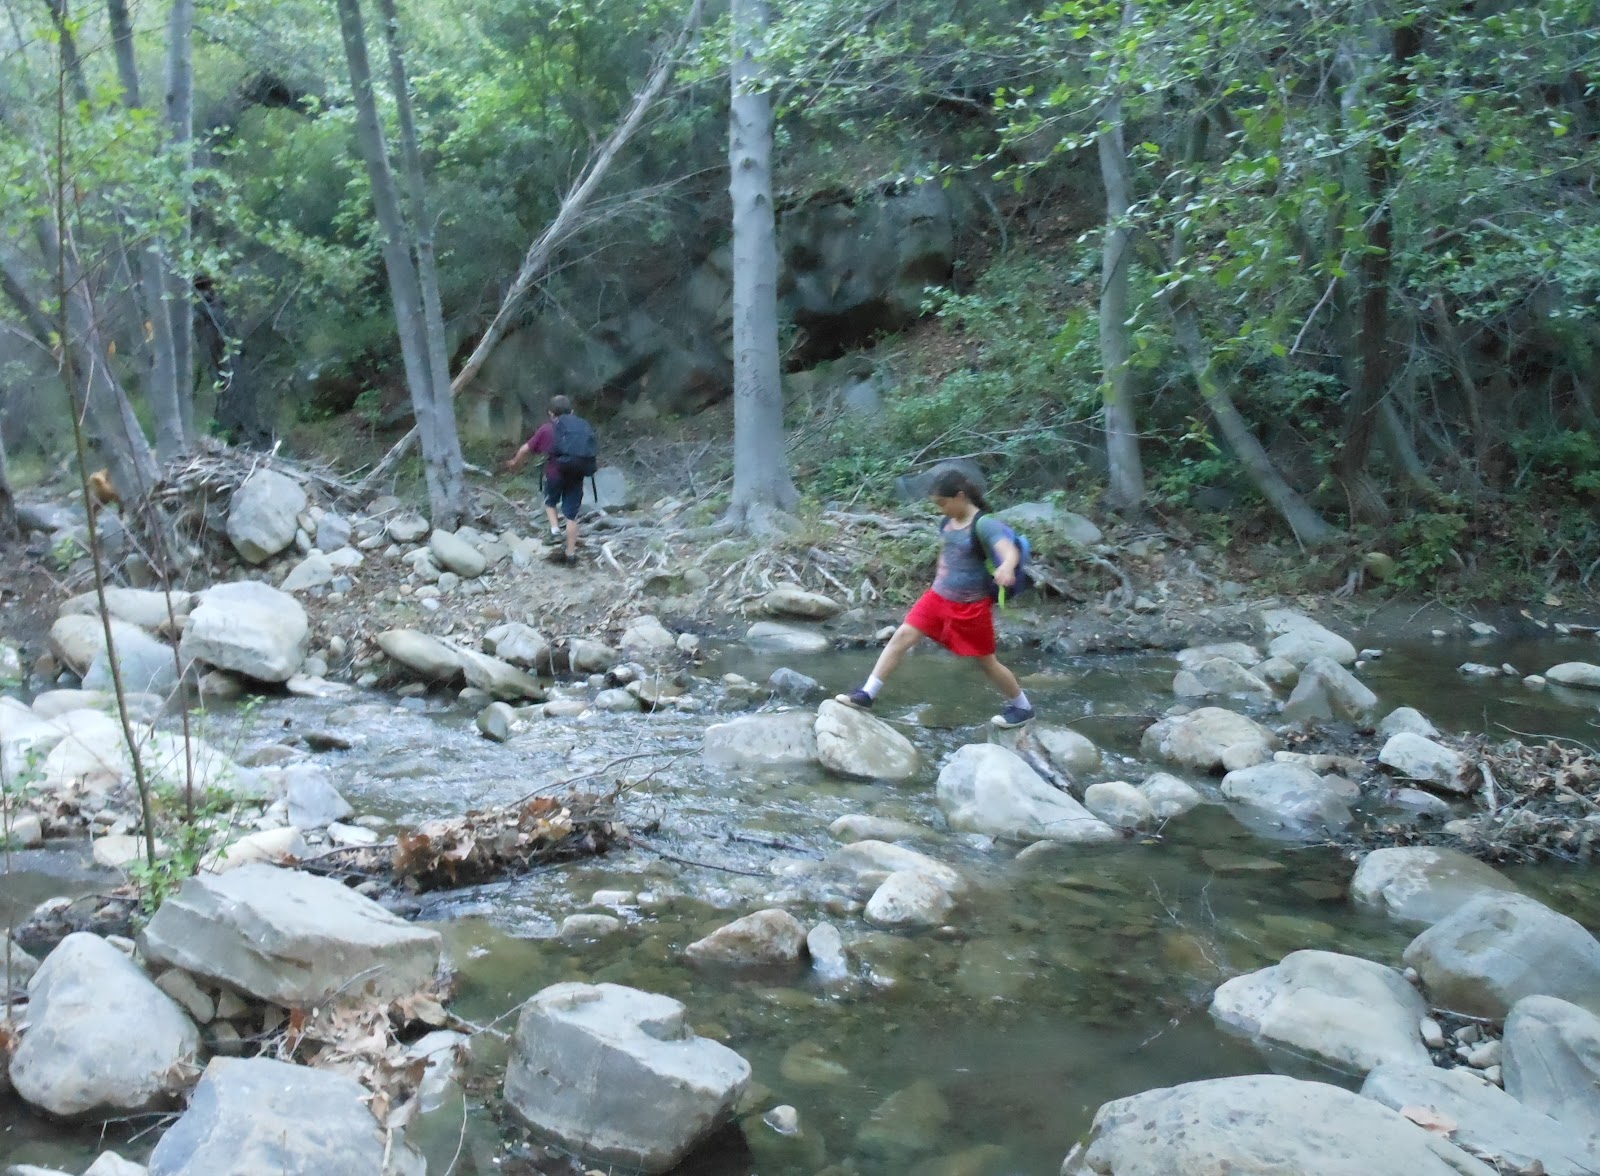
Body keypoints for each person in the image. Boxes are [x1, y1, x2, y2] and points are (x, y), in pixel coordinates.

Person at [836, 467, 1035, 727]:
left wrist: (1007, 567)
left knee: (986, 662)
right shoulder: (947, 523)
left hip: (970, 606)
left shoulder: (984, 524)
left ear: (960, 496)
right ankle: (867, 694)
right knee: (901, 637)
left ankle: (1023, 707)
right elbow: (947, 559)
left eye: (943, 503)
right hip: (937, 599)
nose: (940, 509)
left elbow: (1008, 551)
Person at [502, 395, 597, 565]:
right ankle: (571, 555)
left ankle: (554, 531)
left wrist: (514, 462)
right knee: (571, 516)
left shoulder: (547, 429)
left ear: (551, 414)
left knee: (550, 502)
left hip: (555, 473)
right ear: (572, 412)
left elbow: (525, 449)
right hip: (577, 475)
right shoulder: (581, 427)